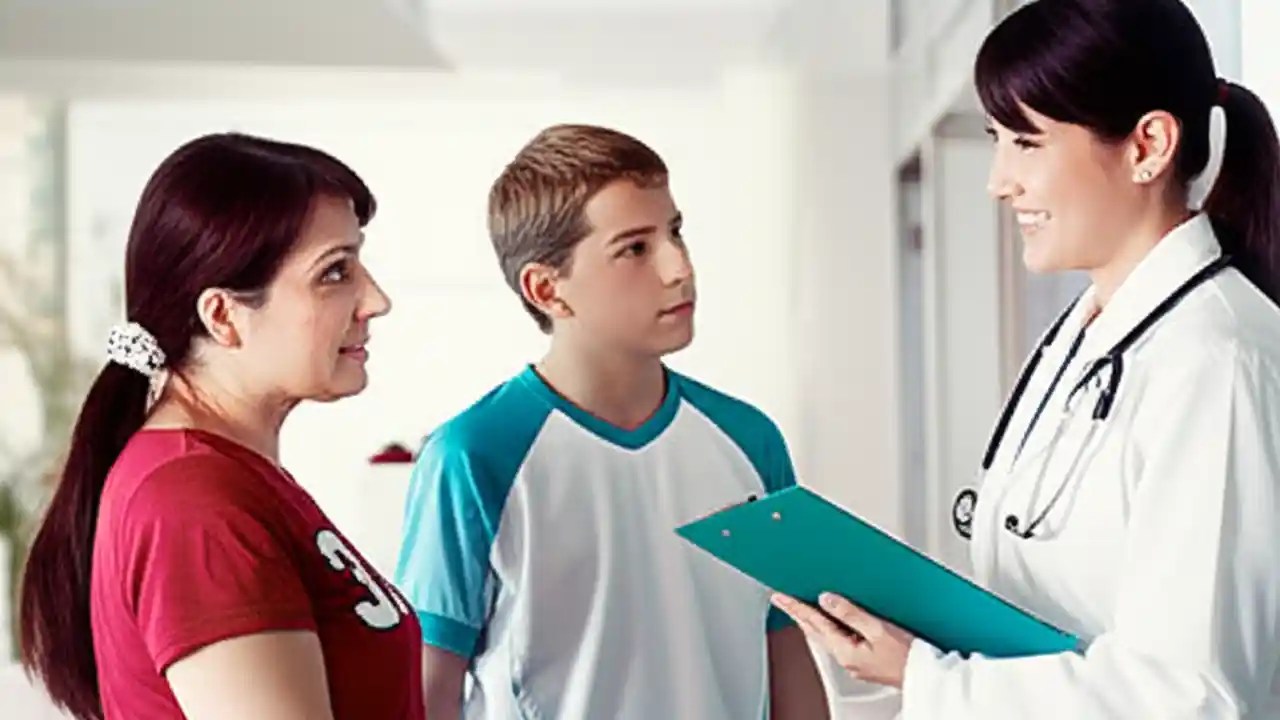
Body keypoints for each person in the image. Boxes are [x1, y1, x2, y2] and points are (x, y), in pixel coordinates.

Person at [772, 0, 1280, 717]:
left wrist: (927, 676)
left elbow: (1190, 695)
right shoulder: (1090, 336)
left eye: (1027, 143)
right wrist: (908, 644)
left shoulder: (1218, 359)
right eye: (995, 140)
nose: (998, 181)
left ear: (1148, 147)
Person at [393, 124, 830, 719]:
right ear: (547, 288)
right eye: (635, 248)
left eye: (675, 232)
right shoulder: (471, 456)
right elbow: (428, 691)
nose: (680, 268)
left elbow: (787, 652)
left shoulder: (750, 441)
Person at [18, 133, 422, 720]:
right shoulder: (194, 506)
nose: (375, 300)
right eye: (335, 273)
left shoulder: (225, 481)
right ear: (223, 315)